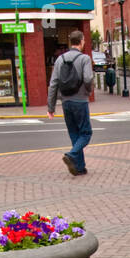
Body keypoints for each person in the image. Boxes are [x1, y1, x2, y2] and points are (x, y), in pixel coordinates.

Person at [46, 30, 94, 175]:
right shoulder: (84, 59)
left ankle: (79, 167)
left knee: (74, 134)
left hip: (65, 102)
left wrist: (51, 107)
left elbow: (53, 84)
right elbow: (88, 78)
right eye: (84, 40)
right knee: (86, 133)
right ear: (81, 41)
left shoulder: (60, 60)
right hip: (80, 101)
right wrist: (88, 91)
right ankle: (71, 155)